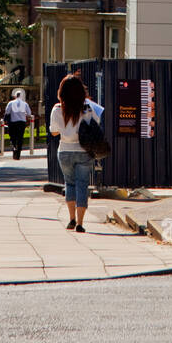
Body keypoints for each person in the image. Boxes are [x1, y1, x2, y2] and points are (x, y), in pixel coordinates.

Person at [49, 74, 97, 232]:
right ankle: (81, 223)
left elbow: (54, 132)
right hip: (84, 151)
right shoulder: (87, 108)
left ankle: (71, 219)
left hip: (65, 150)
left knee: (69, 184)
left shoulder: (57, 109)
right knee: (82, 185)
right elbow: (95, 126)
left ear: (61, 91)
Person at [4, 90, 32, 160]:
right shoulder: (25, 104)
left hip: (13, 122)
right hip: (22, 122)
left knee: (13, 136)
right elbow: (29, 113)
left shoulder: (11, 103)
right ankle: (18, 153)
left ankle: (14, 147)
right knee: (20, 137)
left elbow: (7, 112)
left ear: (15, 96)